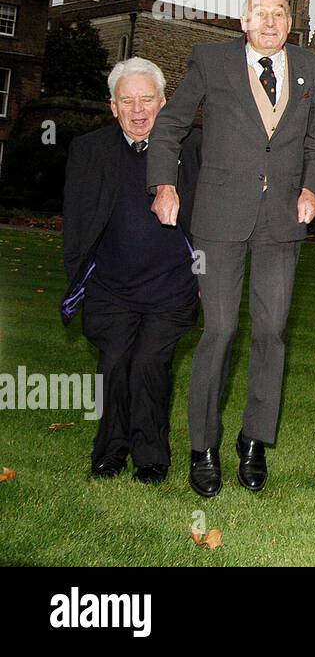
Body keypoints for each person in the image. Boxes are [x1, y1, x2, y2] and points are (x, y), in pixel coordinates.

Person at [148, 0, 315, 498]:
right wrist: (164, 184)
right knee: (220, 332)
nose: (269, 22)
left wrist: (312, 190)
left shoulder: (310, 69)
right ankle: (203, 448)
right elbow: (171, 125)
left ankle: (253, 442)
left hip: (281, 224)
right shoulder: (211, 61)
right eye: (260, 13)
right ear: (243, 21)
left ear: (291, 21)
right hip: (219, 218)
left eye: (279, 14)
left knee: (271, 334)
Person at [62, 57, 200, 485]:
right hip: (111, 290)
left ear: (164, 103)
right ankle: (109, 453)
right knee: (114, 364)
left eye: (147, 100)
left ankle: (151, 457)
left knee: (148, 365)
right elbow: (79, 223)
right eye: (128, 101)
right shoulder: (89, 150)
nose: (138, 111)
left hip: (172, 289)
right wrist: (79, 282)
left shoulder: (192, 147)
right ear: (113, 107)